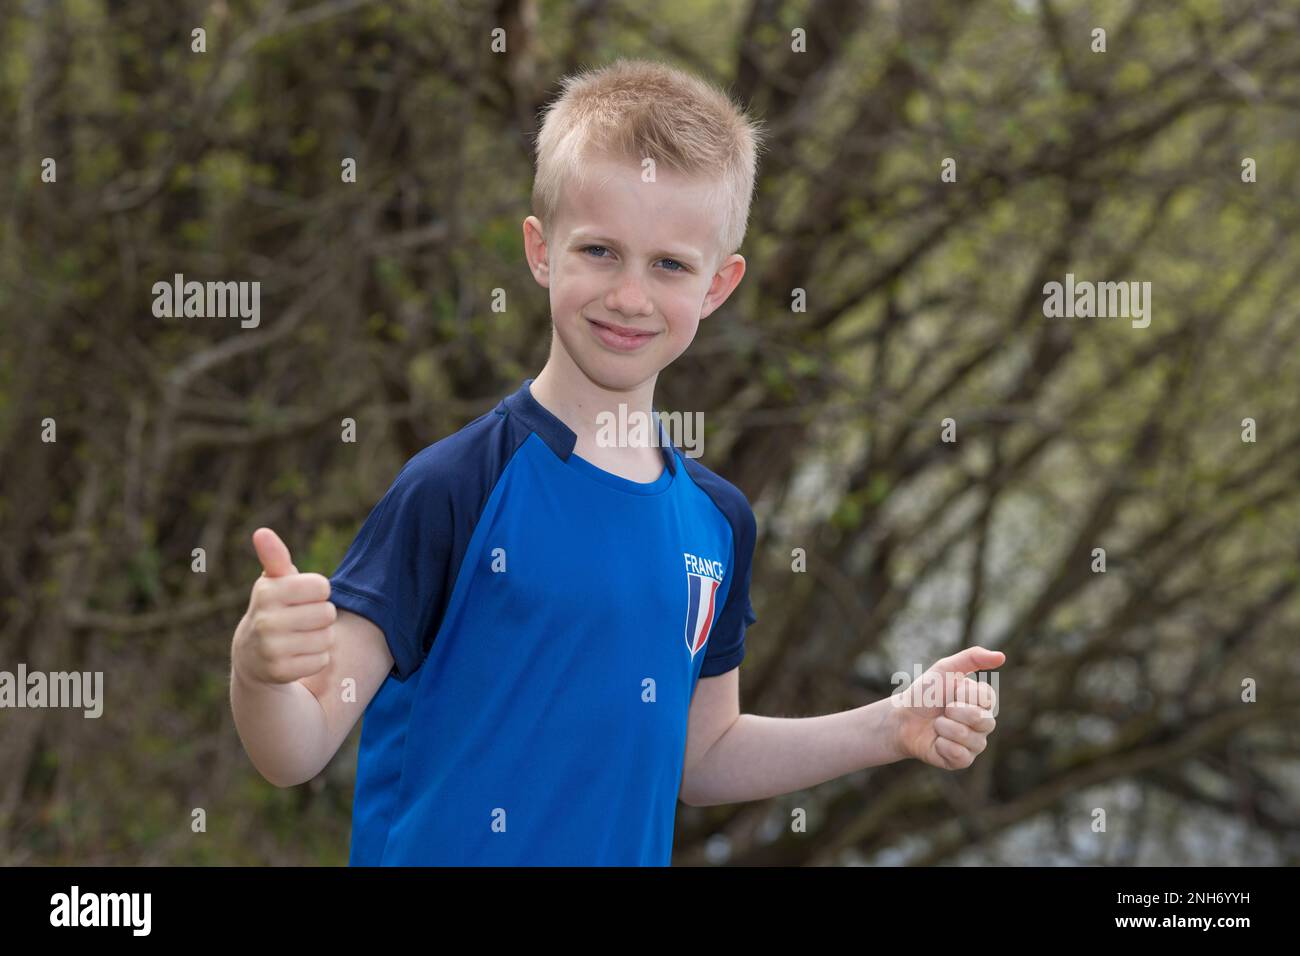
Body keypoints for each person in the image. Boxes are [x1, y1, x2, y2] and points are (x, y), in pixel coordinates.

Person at [229, 58, 1005, 866]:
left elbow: (703, 757)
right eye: (600, 251)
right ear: (540, 250)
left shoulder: (717, 521)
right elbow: (297, 748)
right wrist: (259, 670)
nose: (630, 296)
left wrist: (891, 724)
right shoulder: (454, 487)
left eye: (669, 265)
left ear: (719, 285)